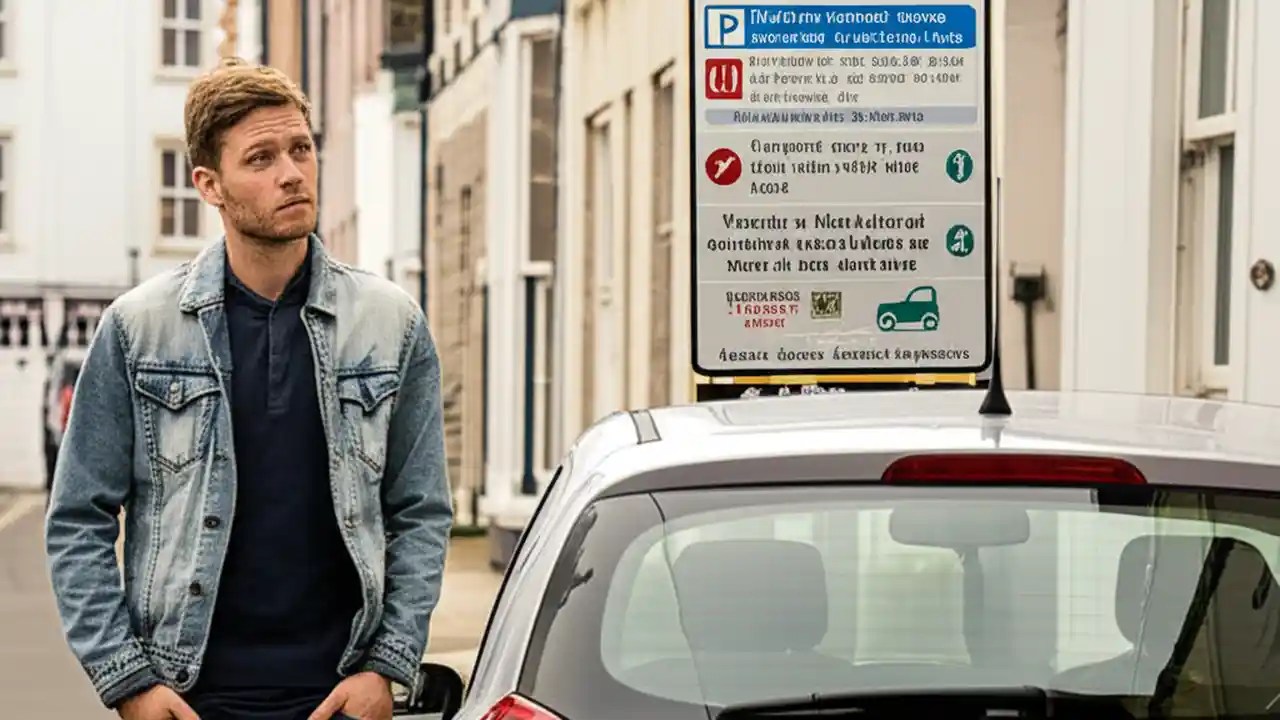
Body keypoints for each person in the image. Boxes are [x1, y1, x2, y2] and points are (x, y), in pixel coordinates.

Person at [44, 57, 453, 720]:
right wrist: (128, 683)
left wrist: (387, 666)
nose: (291, 172)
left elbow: (421, 510)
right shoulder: (139, 328)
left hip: (339, 696)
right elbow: (78, 519)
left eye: (300, 148)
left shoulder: (389, 322)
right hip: (190, 696)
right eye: (260, 158)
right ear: (209, 184)